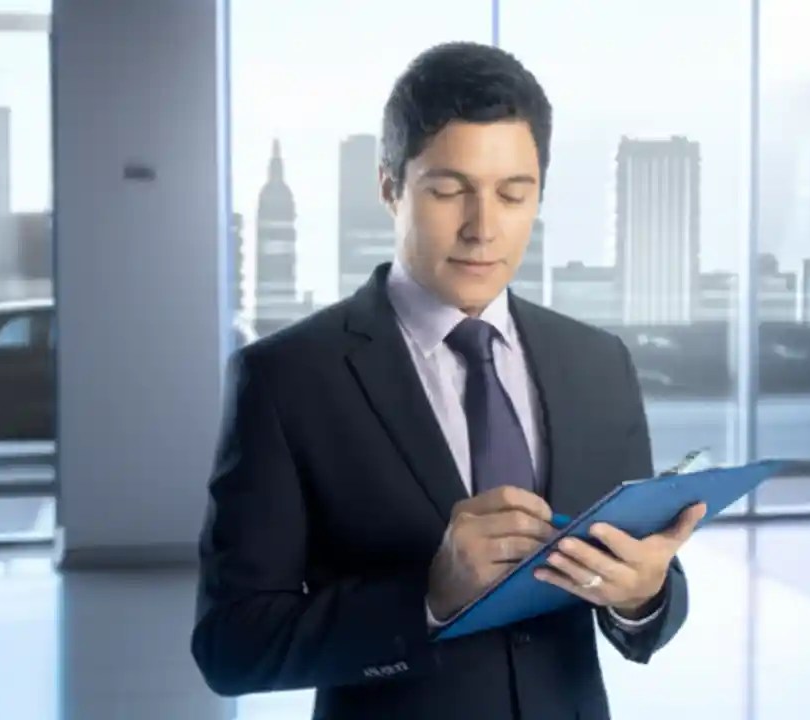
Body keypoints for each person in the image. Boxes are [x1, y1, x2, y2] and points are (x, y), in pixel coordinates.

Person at [190, 41, 706, 720]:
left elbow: (637, 592)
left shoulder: (598, 364)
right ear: (390, 187)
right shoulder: (287, 379)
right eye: (449, 190)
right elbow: (232, 648)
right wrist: (428, 598)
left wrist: (643, 596)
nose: (482, 228)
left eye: (513, 194)